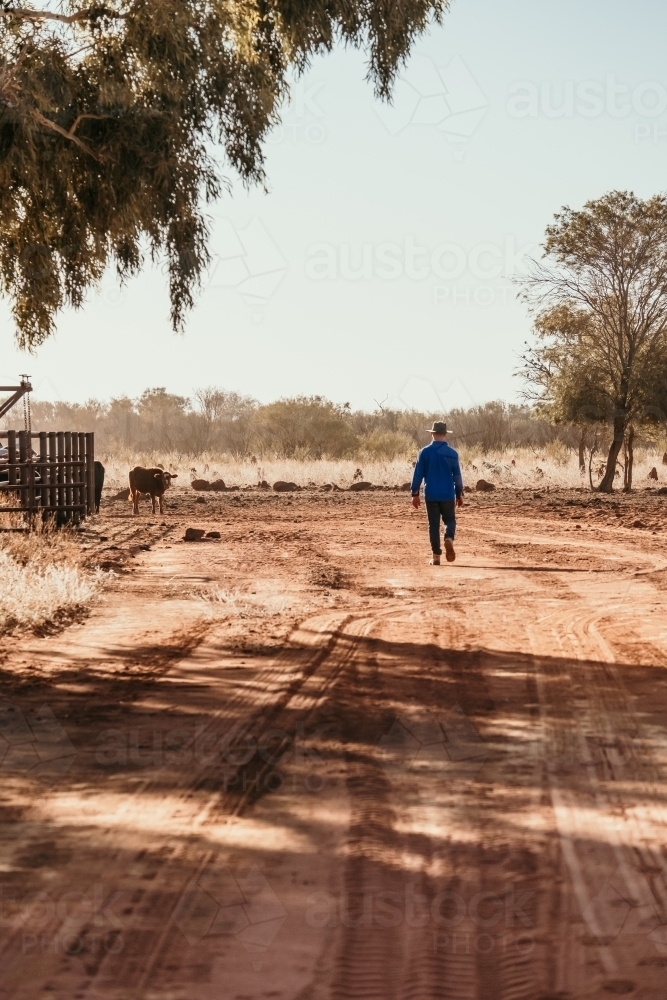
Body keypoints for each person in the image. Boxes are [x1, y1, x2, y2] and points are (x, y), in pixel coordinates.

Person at [411, 421, 464, 565]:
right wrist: (459, 494)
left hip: (431, 494)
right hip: (448, 494)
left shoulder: (424, 452)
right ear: (445, 434)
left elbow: (418, 474)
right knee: (450, 521)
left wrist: (414, 494)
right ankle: (448, 538)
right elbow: (457, 476)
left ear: (433, 434)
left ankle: (436, 556)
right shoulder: (452, 453)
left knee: (433, 525)